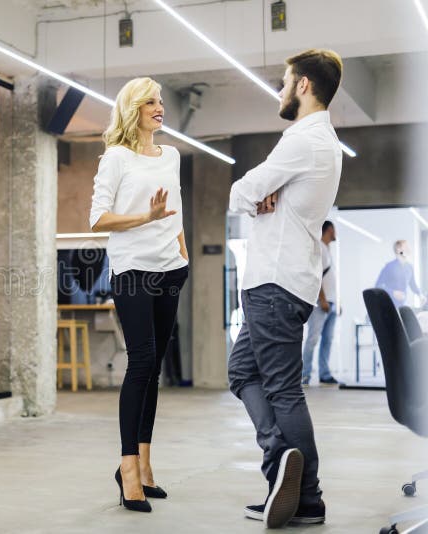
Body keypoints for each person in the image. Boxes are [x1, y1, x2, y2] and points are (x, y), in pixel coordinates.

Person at [226, 49, 344, 528]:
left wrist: (255, 197)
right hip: (286, 280)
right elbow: (253, 194)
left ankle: (305, 494)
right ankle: (284, 466)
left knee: (282, 389)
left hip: (275, 281)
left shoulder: (302, 140)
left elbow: (239, 193)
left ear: (303, 86)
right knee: (242, 372)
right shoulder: (322, 141)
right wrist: (258, 197)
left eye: (283, 82)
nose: (279, 90)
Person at [89, 77, 189, 513]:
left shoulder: (172, 155)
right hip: (132, 271)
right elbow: (98, 219)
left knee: (154, 372)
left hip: (171, 270)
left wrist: (183, 255)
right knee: (142, 362)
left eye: (161, 100)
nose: (159, 106)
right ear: (133, 109)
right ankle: (127, 468)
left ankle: (146, 467)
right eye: (150, 101)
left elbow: (177, 210)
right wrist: (145, 218)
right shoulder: (116, 157)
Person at [302, 221, 339, 386]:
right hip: (321, 302)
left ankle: (324, 374)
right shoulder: (320, 249)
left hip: (331, 302)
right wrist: (322, 299)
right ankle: (304, 375)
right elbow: (316, 276)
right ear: (329, 230)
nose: (335, 232)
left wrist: (337, 303)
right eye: (334, 230)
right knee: (313, 339)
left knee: (328, 340)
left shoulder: (328, 250)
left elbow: (330, 279)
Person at [375, 240, 425, 308]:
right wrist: (393, 293)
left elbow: (413, 285)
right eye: (405, 247)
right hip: (388, 304)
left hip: (401, 305)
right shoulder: (389, 267)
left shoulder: (409, 267)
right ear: (398, 250)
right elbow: (378, 286)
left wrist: (420, 295)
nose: (408, 249)